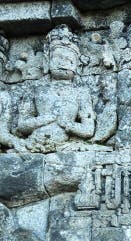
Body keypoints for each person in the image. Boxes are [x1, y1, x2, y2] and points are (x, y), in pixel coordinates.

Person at [16, 24, 96, 152]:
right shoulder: (36, 89)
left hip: (66, 145)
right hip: (34, 142)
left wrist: (67, 124)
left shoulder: (81, 92)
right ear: (47, 60)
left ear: (78, 65)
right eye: (58, 58)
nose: (63, 63)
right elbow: (22, 125)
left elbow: (89, 130)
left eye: (70, 60)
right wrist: (46, 118)